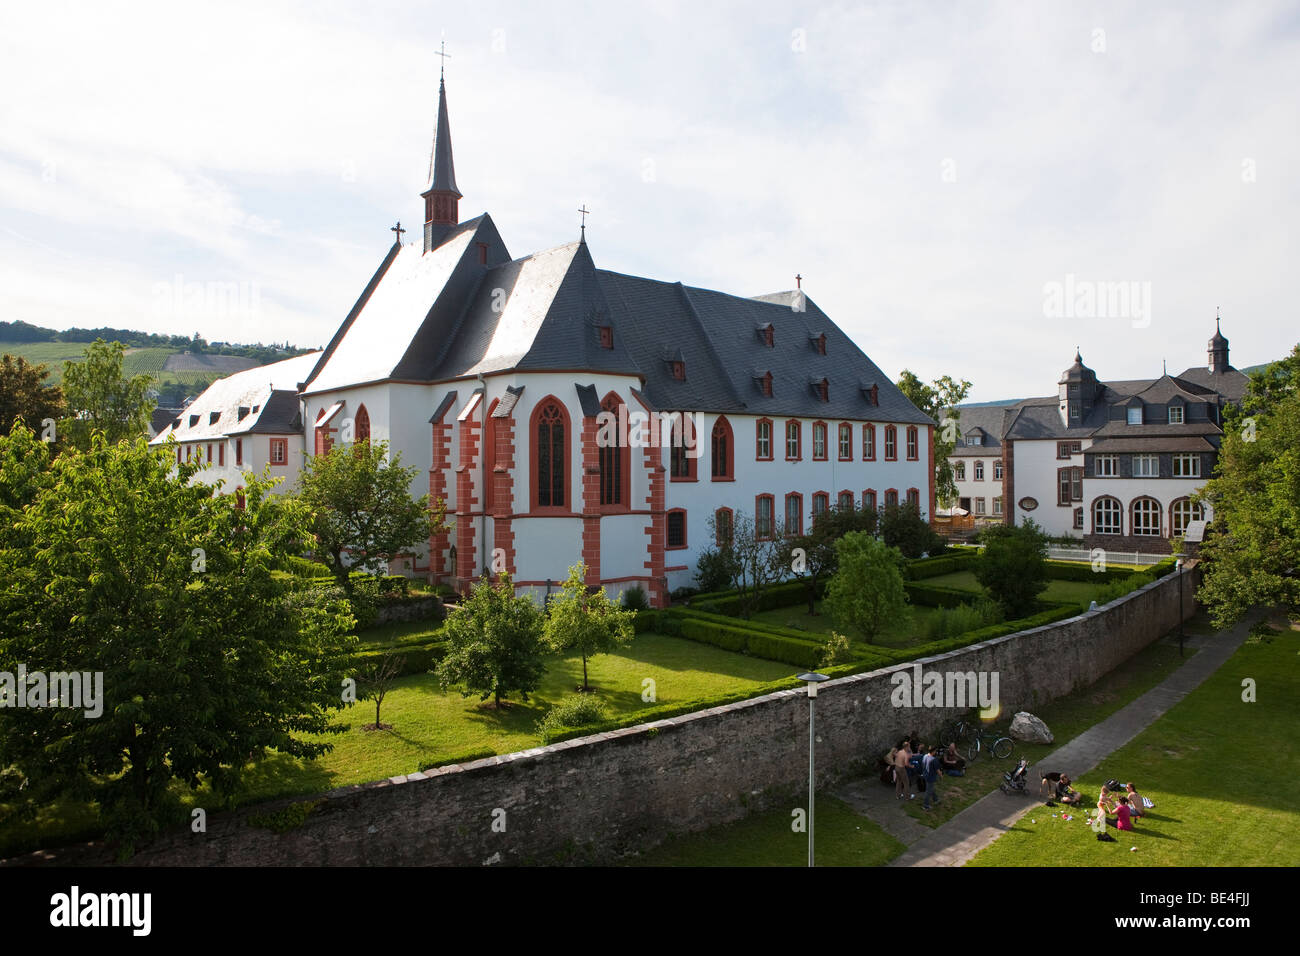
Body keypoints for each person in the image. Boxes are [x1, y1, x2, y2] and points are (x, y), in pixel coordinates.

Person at [922, 745, 942, 811]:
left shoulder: (925, 756)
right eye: (935, 751)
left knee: (931, 788)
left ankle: (936, 799)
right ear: (933, 751)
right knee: (928, 791)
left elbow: (923, 764)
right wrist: (941, 776)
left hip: (925, 775)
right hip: (930, 777)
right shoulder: (934, 760)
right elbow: (938, 770)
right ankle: (925, 805)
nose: (936, 752)